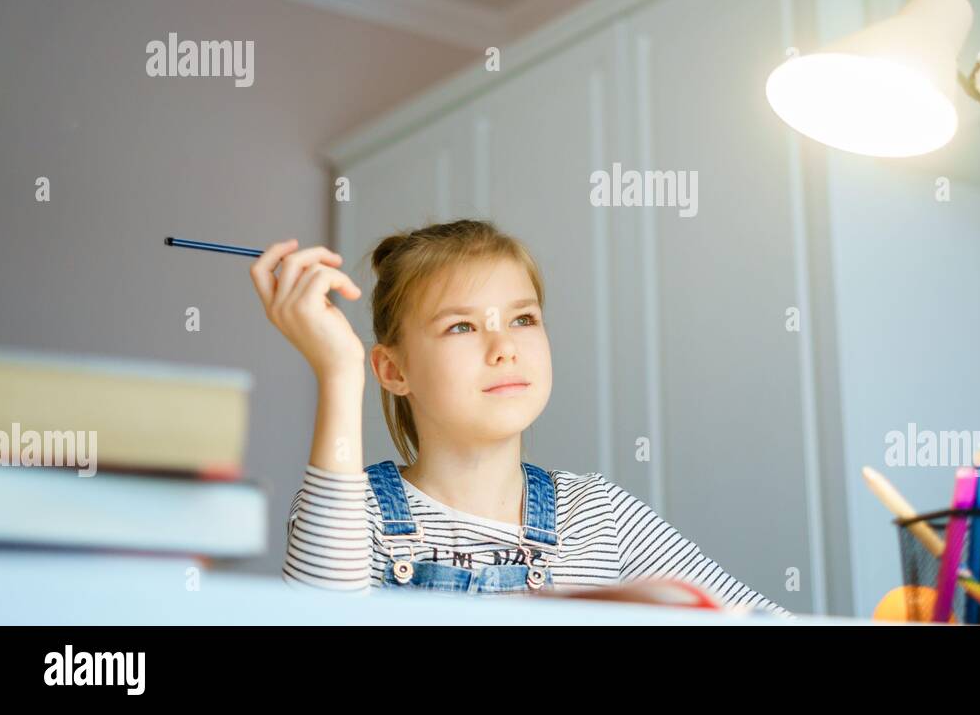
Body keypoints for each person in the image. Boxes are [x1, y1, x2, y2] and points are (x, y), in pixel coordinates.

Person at [251, 218, 792, 617]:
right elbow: (316, 619)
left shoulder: (600, 515)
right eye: (462, 327)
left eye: (523, 319)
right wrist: (340, 372)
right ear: (393, 370)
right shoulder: (354, 509)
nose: (504, 347)